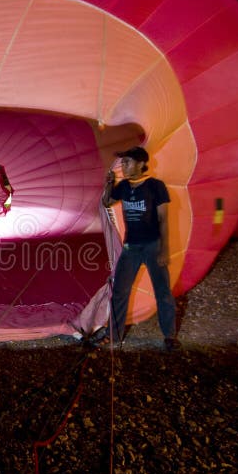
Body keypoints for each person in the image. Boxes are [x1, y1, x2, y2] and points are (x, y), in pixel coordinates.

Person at [101, 146, 179, 351]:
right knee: (119, 291)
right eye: (122, 163)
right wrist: (110, 183)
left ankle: (169, 336)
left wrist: (164, 249)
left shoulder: (156, 186)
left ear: (141, 163)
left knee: (162, 292)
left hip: (153, 246)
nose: (123, 166)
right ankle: (114, 335)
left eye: (127, 162)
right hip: (131, 247)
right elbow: (107, 201)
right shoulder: (124, 186)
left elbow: (163, 219)